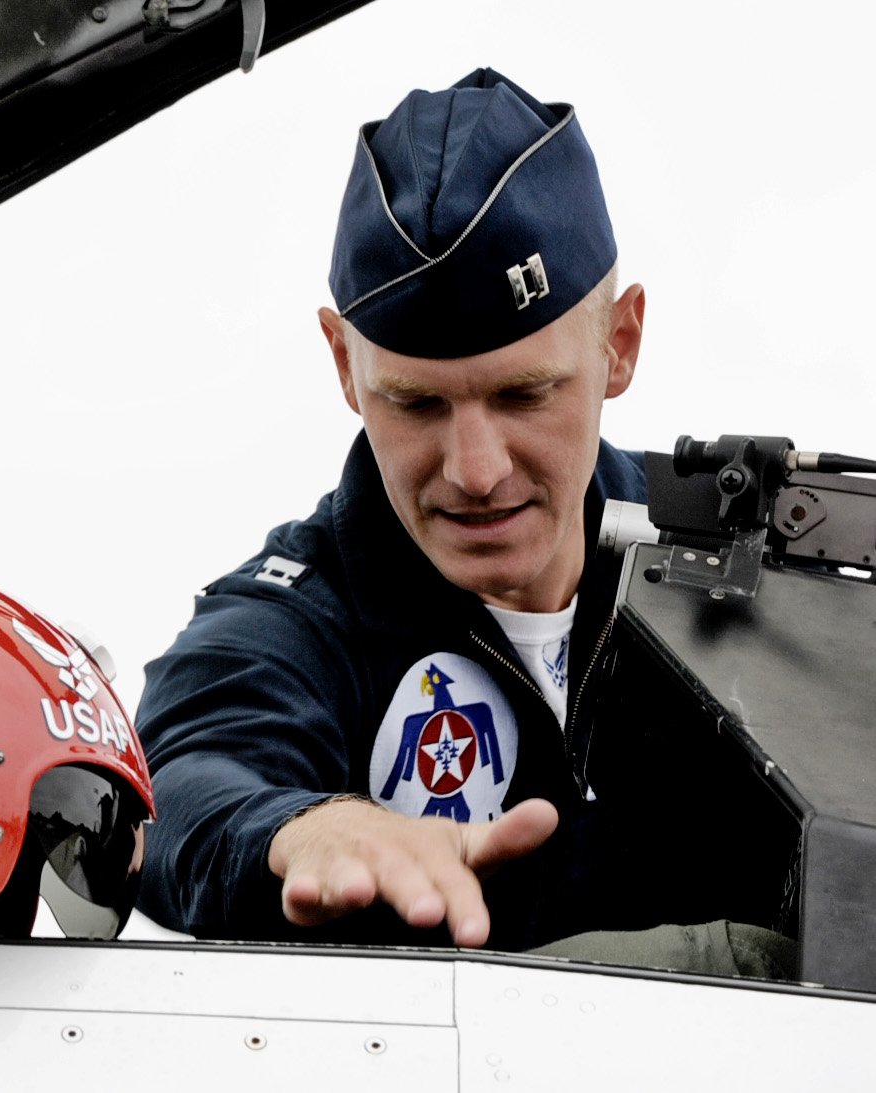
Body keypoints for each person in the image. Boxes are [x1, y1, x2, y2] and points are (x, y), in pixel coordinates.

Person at [135, 69, 791, 976]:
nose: (474, 471)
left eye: (525, 393)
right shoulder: (295, 617)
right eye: (414, 403)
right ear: (342, 364)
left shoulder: (768, 566)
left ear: (620, 344)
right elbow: (180, 784)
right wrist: (303, 828)